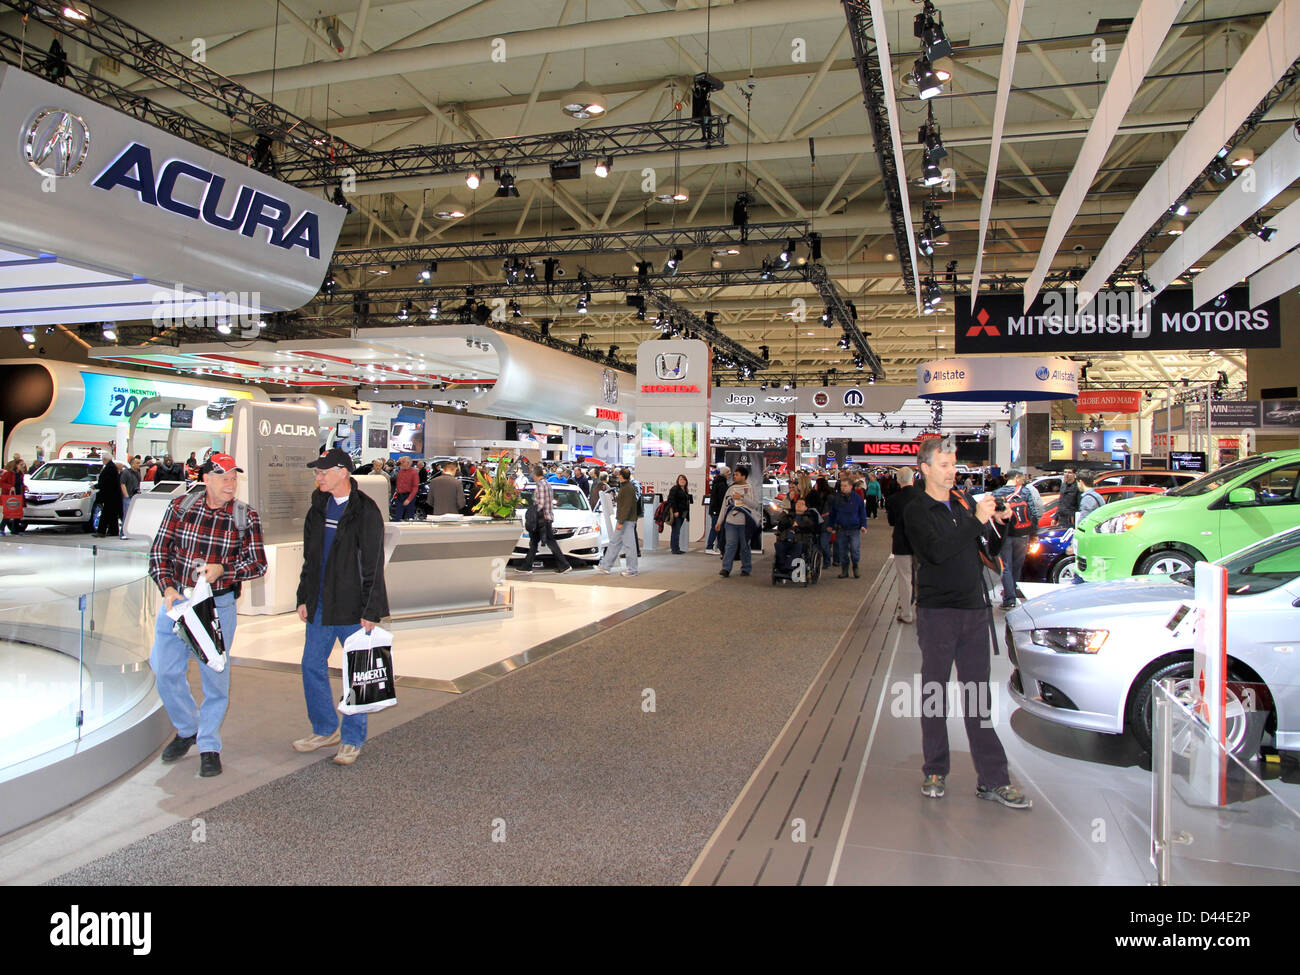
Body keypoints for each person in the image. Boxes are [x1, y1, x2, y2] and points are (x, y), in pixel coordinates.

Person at [903, 437, 1030, 809]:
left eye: (953, 463)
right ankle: (935, 769)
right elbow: (936, 552)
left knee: (978, 699)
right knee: (934, 694)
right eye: (943, 464)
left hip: (974, 612)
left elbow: (988, 550)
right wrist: (974, 520)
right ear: (925, 468)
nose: (951, 470)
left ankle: (994, 778)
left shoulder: (962, 503)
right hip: (937, 613)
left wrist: (998, 523)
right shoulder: (917, 509)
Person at [148, 453, 267, 777]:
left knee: (214, 677)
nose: (230, 483)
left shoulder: (245, 516)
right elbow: (159, 552)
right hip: (178, 603)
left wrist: (223, 570)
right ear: (206, 479)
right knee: (164, 669)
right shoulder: (181, 508)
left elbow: (258, 564)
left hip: (218, 606)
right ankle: (188, 728)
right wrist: (168, 589)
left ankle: (209, 744)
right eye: (223, 476)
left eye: (233, 477)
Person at [293, 448, 389, 766]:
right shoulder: (317, 508)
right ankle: (324, 729)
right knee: (311, 666)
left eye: (323, 472)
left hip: (353, 608)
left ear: (342, 472)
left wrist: (371, 610)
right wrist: (303, 597)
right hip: (320, 604)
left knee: (357, 673)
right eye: (317, 472)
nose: (318, 477)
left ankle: (351, 738)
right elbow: (310, 559)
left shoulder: (365, 511)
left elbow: (373, 564)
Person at [991, 471, 1043, 610]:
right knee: (1017, 565)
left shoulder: (996, 493)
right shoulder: (1025, 492)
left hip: (1006, 534)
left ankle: (1009, 598)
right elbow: (1033, 513)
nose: (1024, 480)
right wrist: (1034, 534)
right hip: (1023, 533)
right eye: (1023, 478)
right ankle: (1012, 592)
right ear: (1017, 478)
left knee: (1005, 566)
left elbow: (992, 515)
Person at [518, 464, 574, 574]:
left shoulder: (541, 485)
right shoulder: (546, 484)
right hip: (545, 518)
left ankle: (564, 565)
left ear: (534, 474)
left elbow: (541, 504)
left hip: (542, 519)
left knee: (549, 541)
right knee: (534, 542)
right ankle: (527, 566)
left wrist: (532, 512)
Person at [885, 467, 923, 623]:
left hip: (901, 543)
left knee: (904, 579)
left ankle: (906, 614)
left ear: (899, 480)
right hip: (921, 543)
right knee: (922, 577)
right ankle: (923, 612)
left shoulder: (893, 500)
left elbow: (892, 522)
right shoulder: (923, 497)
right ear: (912, 479)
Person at [716, 463, 759, 578]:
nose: (734, 476)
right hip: (731, 522)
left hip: (745, 522)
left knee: (745, 546)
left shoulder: (750, 488)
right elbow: (724, 506)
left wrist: (742, 497)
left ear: (744, 476)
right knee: (730, 545)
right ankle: (726, 568)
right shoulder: (730, 489)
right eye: (734, 475)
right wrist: (719, 521)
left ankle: (746, 568)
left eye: (737, 475)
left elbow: (754, 504)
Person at [595, 467, 640, 576]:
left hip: (626, 521)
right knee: (614, 543)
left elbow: (627, 507)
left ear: (621, 476)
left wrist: (621, 521)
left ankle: (632, 569)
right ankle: (605, 566)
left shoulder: (627, 488)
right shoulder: (626, 487)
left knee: (629, 546)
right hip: (624, 520)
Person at [827, 476, 867, 578]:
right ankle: (844, 570)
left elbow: (862, 512)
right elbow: (833, 513)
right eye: (841, 486)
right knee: (843, 551)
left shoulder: (857, 499)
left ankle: (855, 566)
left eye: (845, 486)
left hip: (854, 528)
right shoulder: (837, 499)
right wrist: (830, 525)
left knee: (855, 549)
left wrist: (863, 525)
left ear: (850, 487)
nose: (843, 488)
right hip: (841, 529)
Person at [773, 498, 822, 574]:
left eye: (802, 504)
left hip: (800, 539)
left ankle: (789, 567)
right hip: (787, 538)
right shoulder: (789, 516)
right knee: (779, 545)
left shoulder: (809, 517)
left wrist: (797, 528)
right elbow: (781, 526)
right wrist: (786, 518)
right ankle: (782, 566)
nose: (799, 505)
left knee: (798, 546)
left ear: (805, 508)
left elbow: (811, 527)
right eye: (797, 503)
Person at [93, 453, 123, 537]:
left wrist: (96, 486)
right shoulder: (112, 467)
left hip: (110, 496)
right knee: (112, 514)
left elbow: (106, 482)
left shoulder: (109, 468)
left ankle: (101, 531)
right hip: (113, 495)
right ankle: (113, 531)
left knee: (106, 514)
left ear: (105, 459)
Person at [705, 465, 730, 555]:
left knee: (718, 529)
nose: (729, 475)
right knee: (715, 528)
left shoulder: (718, 482)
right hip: (717, 510)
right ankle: (709, 547)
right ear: (724, 473)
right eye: (728, 473)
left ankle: (719, 547)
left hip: (716, 510)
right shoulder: (721, 484)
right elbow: (722, 499)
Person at [666, 474, 692, 554]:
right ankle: (675, 549)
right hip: (677, 513)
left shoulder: (685, 490)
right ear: (678, 481)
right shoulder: (675, 489)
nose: (682, 481)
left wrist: (687, 517)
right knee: (676, 531)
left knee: (677, 531)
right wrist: (675, 511)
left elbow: (687, 504)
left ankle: (675, 548)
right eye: (681, 479)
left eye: (684, 479)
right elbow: (671, 500)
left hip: (683, 513)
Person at [119, 457, 141, 538]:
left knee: (132, 515)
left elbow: (138, 484)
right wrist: (126, 496)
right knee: (126, 515)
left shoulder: (138, 473)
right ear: (132, 464)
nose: (139, 464)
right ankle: (123, 533)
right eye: (137, 463)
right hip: (127, 497)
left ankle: (130, 532)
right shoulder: (126, 472)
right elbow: (122, 484)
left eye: (139, 463)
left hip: (135, 497)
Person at [393, 456, 419, 521]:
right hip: (399, 496)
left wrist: (409, 499)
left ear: (408, 463)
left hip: (409, 496)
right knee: (398, 517)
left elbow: (415, 488)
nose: (401, 463)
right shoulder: (400, 471)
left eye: (403, 462)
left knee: (409, 517)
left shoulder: (414, 473)